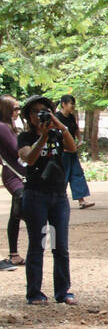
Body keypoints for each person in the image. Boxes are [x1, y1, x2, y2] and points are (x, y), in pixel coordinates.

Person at [15, 95, 77, 304]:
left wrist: (59, 125)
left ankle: (63, 292)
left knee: (60, 246)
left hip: (58, 195)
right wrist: (42, 137)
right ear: (28, 117)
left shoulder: (57, 133)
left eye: (43, 111)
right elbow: (28, 158)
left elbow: (72, 147)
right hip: (35, 196)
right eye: (34, 112)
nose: (38, 115)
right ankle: (34, 293)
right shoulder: (24, 137)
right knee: (37, 244)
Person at [0, 96, 27, 271]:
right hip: (13, 176)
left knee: (15, 214)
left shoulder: (11, 127)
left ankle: (13, 254)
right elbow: (16, 150)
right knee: (25, 207)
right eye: (15, 108)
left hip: (22, 174)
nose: (18, 112)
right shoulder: (2, 127)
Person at [54, 94, 93, 208]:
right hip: (62, 153)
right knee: (63, 176)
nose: (73, 106)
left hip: (72, 151)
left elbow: (75, 129)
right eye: (71, 103)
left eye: (73, 104)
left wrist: (80, 140)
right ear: (64, 104)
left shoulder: (70, 117)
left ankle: (82, 201)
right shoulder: (57, 118)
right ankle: (57, 201)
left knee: (77, 174)